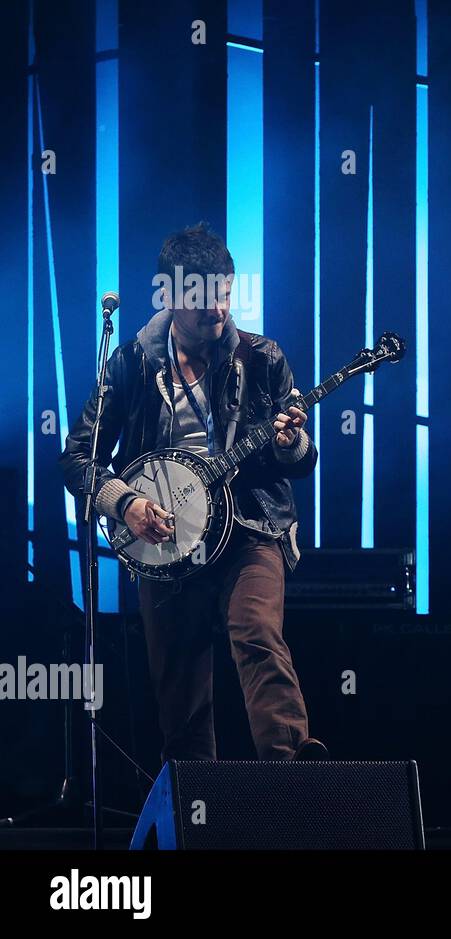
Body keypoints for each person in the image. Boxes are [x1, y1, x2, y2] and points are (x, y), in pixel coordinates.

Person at [59, 222, 327, 763]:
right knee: (179, 687)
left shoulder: (263, 359)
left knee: (257, 634)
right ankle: (197, 815)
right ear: (172, 298)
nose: (219, 313)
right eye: (204, 304)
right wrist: (126, 503)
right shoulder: (131, 363)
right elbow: (78, 456)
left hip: (251, 526)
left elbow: (299, 464)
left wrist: (293, 442)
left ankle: (296, 780)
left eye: (226, 298)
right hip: (164, 540)